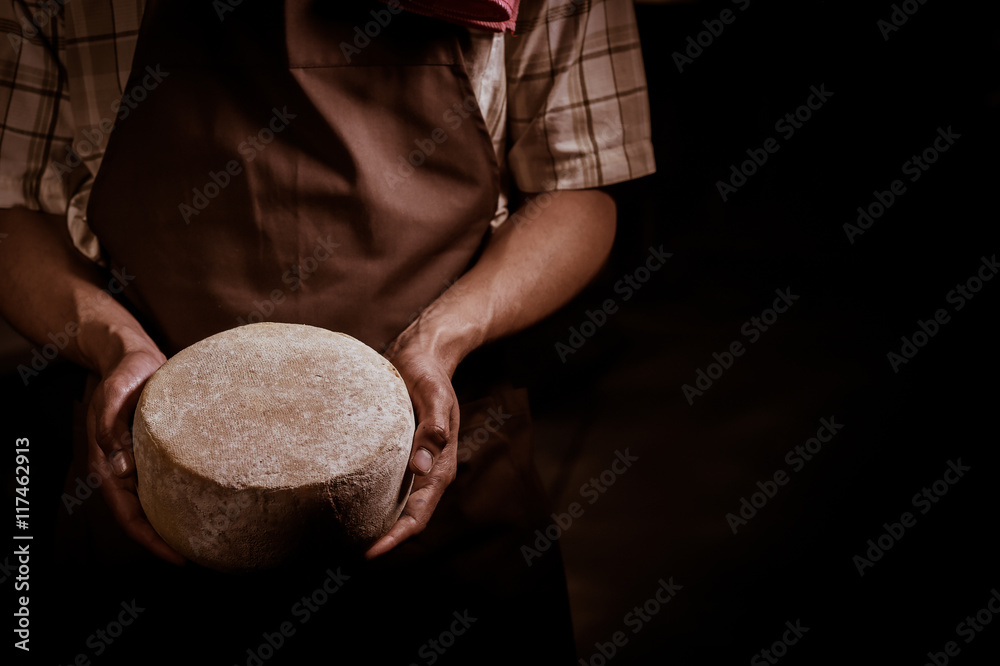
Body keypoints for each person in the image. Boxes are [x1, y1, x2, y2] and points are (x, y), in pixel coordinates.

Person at [0, 0, 655, 662]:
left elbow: (579, 185)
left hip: (444, 490)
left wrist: (440, 338)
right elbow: (8, 206)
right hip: (152, 503)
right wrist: (113, 344)